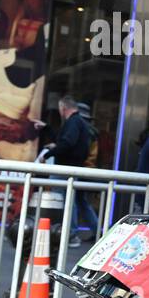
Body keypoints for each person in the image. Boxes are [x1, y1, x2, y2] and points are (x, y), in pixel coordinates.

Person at [47, 95, 99, 248]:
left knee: (70, 201)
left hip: (73, 168)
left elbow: (66, 143)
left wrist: (51, 152)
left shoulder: (75, 123)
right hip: (81, 169)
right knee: (79, 202)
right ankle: (95, 232)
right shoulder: (85, 127)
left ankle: (71, 234)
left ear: (64, 108)